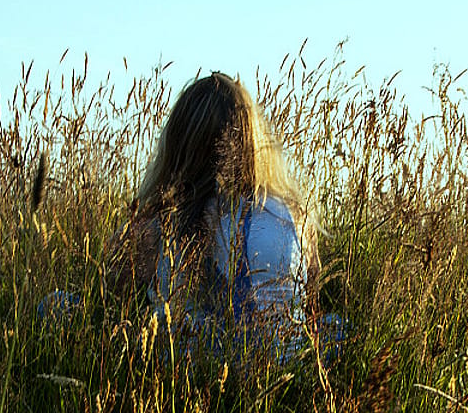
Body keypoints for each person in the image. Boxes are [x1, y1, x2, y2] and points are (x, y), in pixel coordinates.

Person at [107, 72, 326, 361]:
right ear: (252, 142)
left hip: (189, 380)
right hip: (286, 370)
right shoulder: (295, 216)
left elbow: (109, 303)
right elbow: (311, 305)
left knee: (57, 307)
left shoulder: (156, 224)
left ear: (178, 144)